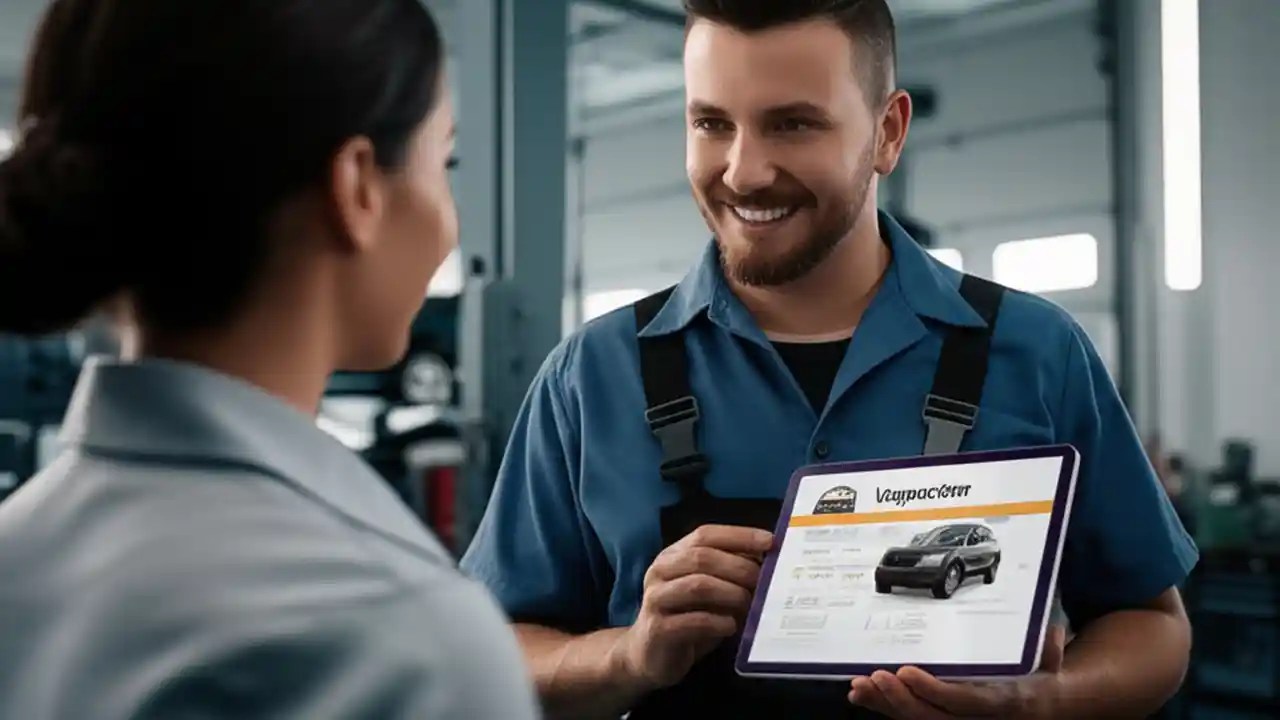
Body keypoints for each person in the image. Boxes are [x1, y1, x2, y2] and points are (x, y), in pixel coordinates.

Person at [460, 1, 1198, 718]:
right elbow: (496, 652)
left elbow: (1153, 625)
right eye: (712, 123)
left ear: (887, 132)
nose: (743, 172)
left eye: (793, 124)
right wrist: (627, 656)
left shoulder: (1036, 353)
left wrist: (1044, 703)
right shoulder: (591, 376)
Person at [0, 1, 538, 718]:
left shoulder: (19, 554)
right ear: (357, 188)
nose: (449, 222)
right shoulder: (408, 638)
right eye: (442, 160)